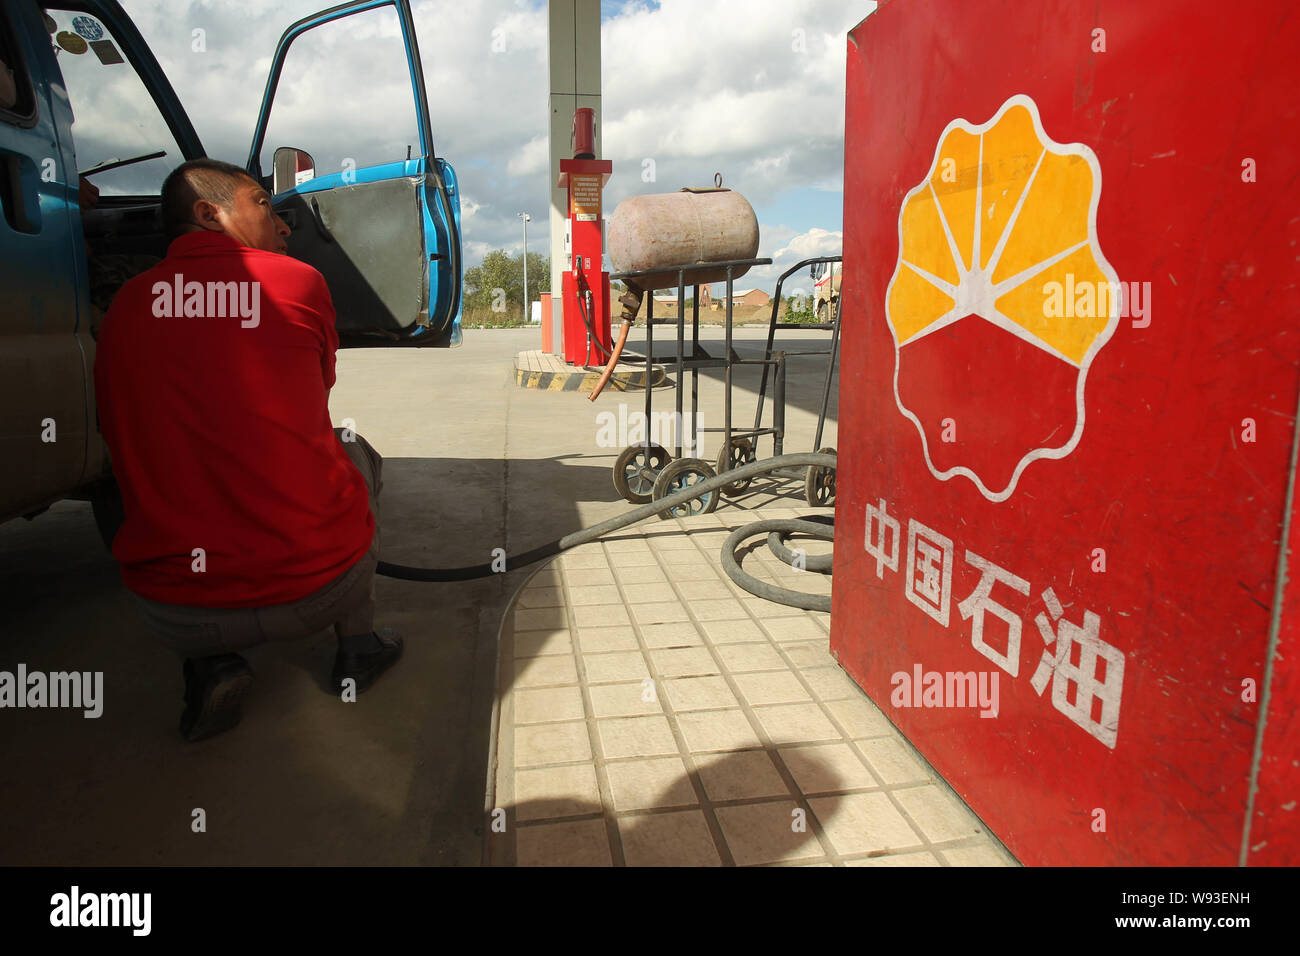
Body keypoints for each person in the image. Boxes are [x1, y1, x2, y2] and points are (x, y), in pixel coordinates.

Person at [94, 157, 402, 741]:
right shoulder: (298, 282)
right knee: (356, 450)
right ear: (210, 214)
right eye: (263, 204)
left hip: (171, 611)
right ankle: (358, 647)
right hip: (314, 591)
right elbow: (318, 388)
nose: (284, 226)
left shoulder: (125, 306)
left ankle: (211, 663)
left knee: (171, 463)